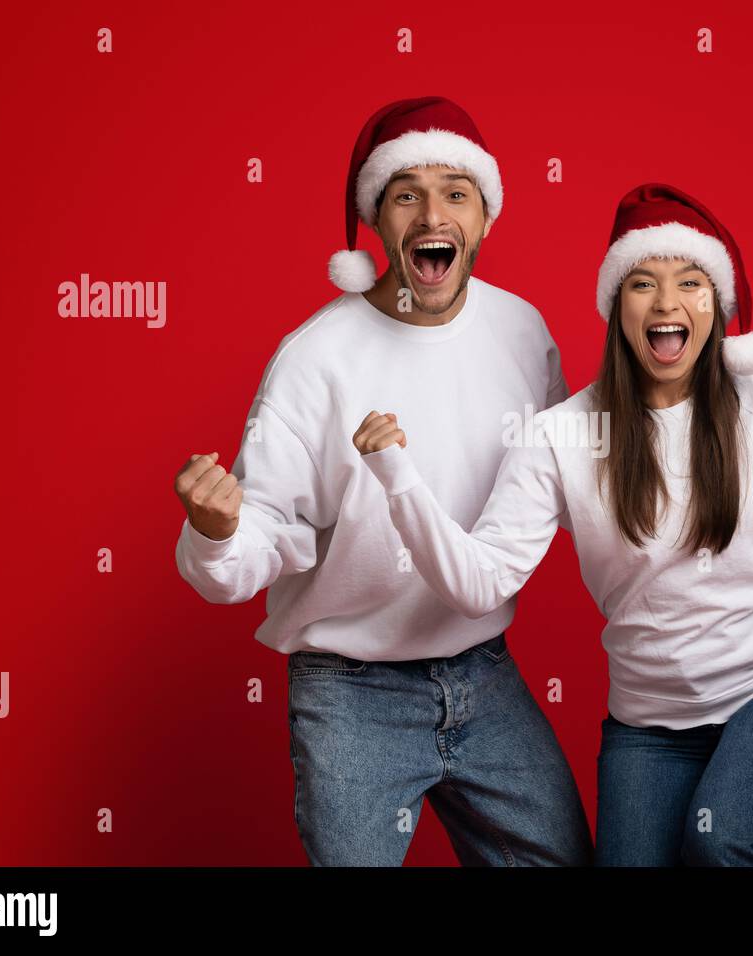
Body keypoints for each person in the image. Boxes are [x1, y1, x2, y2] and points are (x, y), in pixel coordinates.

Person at [352, 183, 753, 865]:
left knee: (720, 840)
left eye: (690, 282)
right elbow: (480, 582)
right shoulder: (561, 436)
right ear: (617, 307)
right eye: (642, 284)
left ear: (716, 304)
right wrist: (398, 479)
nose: (666, 302)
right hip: (649, 725)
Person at [172, 96, 593, 866]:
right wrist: (217, 531)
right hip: (350, 691)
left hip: (483, 670)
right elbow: (265, 534)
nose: (432, 213)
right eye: (407, 195)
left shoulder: (522, 331)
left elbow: (563, 487)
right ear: (377, 221)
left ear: (485, 219)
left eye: (455, 194)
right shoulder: (315, 358)